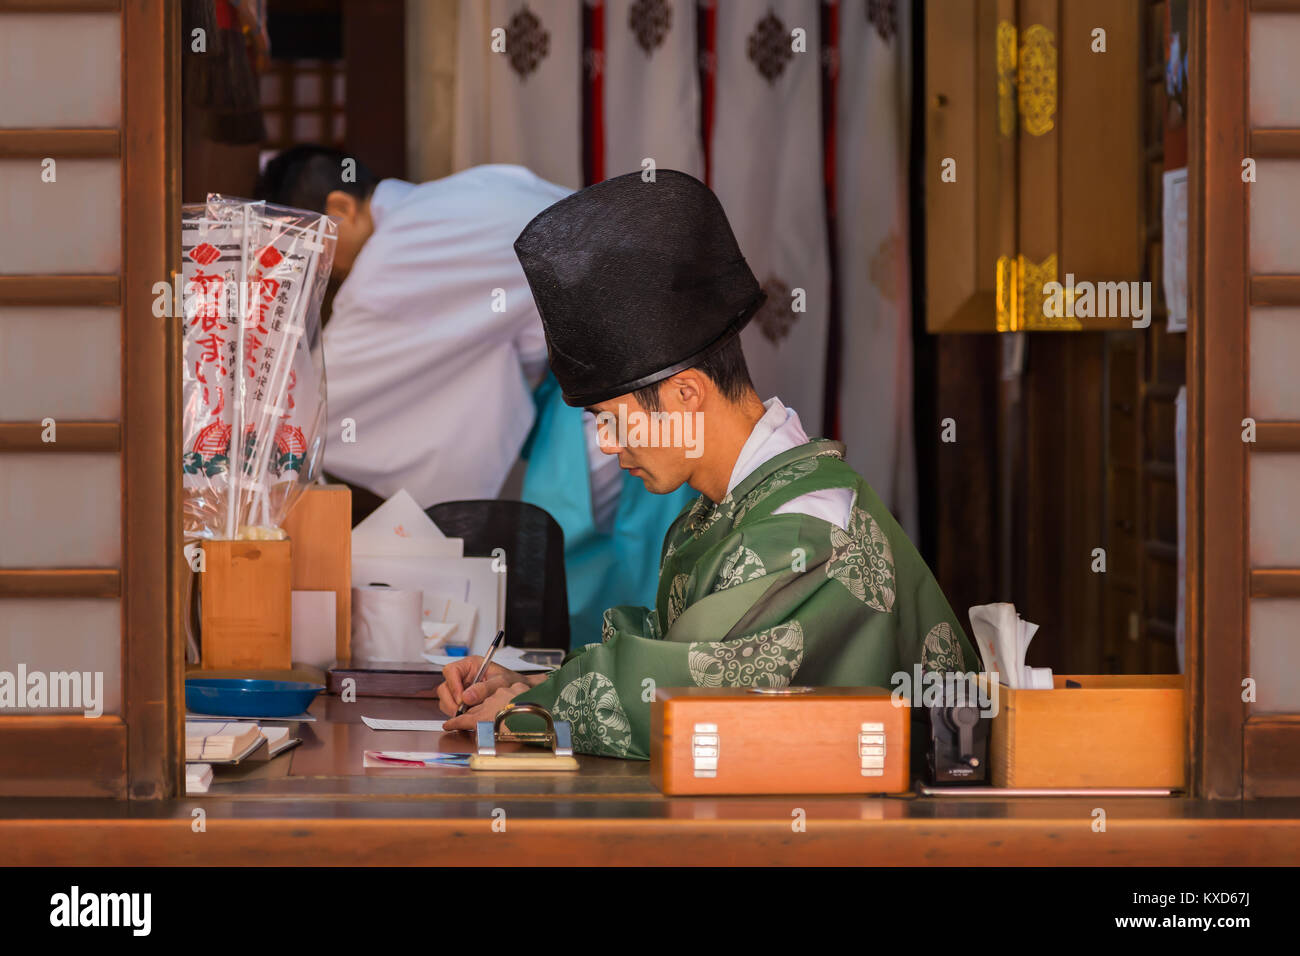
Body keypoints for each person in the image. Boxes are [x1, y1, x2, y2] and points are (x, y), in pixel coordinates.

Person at [438, 169, 976, 757]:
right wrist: (531, 688)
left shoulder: (806, 525)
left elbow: (692, 694)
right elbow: (680, 658)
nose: (610, 446)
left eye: (611, 420)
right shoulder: (732, 505)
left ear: (685, 395)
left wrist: (526, 709)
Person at [255, 147, 694, 647]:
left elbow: (326, 398)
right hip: (656, 364)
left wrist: (251, 430)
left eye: (318, 252)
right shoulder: (477, 186)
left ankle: (606, 688)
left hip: (622, 380)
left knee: (575, 558)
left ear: (339, 210)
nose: (328, 274)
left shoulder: (396, 255)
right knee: (656, 549)